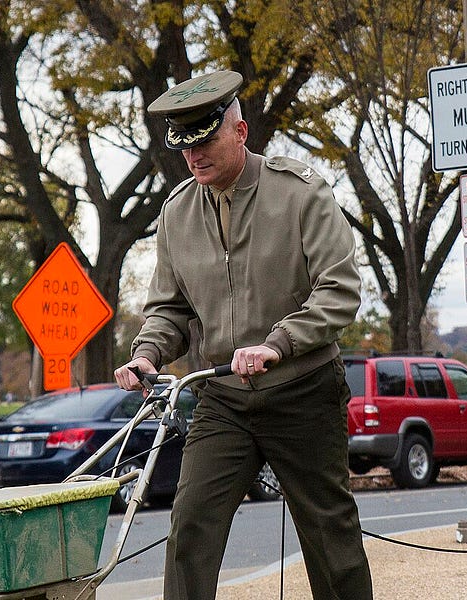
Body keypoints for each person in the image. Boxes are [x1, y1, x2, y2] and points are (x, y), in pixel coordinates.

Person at [114, 70, 373, 600]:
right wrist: (147, 354)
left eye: (205, 141)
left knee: (330, 533)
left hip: (303, 390)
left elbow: (340, 290)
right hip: (222, 400)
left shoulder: (300, 194)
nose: (194, 157)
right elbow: (169, 308)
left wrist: (279, 343)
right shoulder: (176, 213)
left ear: (239, 131)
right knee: (189, 528)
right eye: (183, 147)